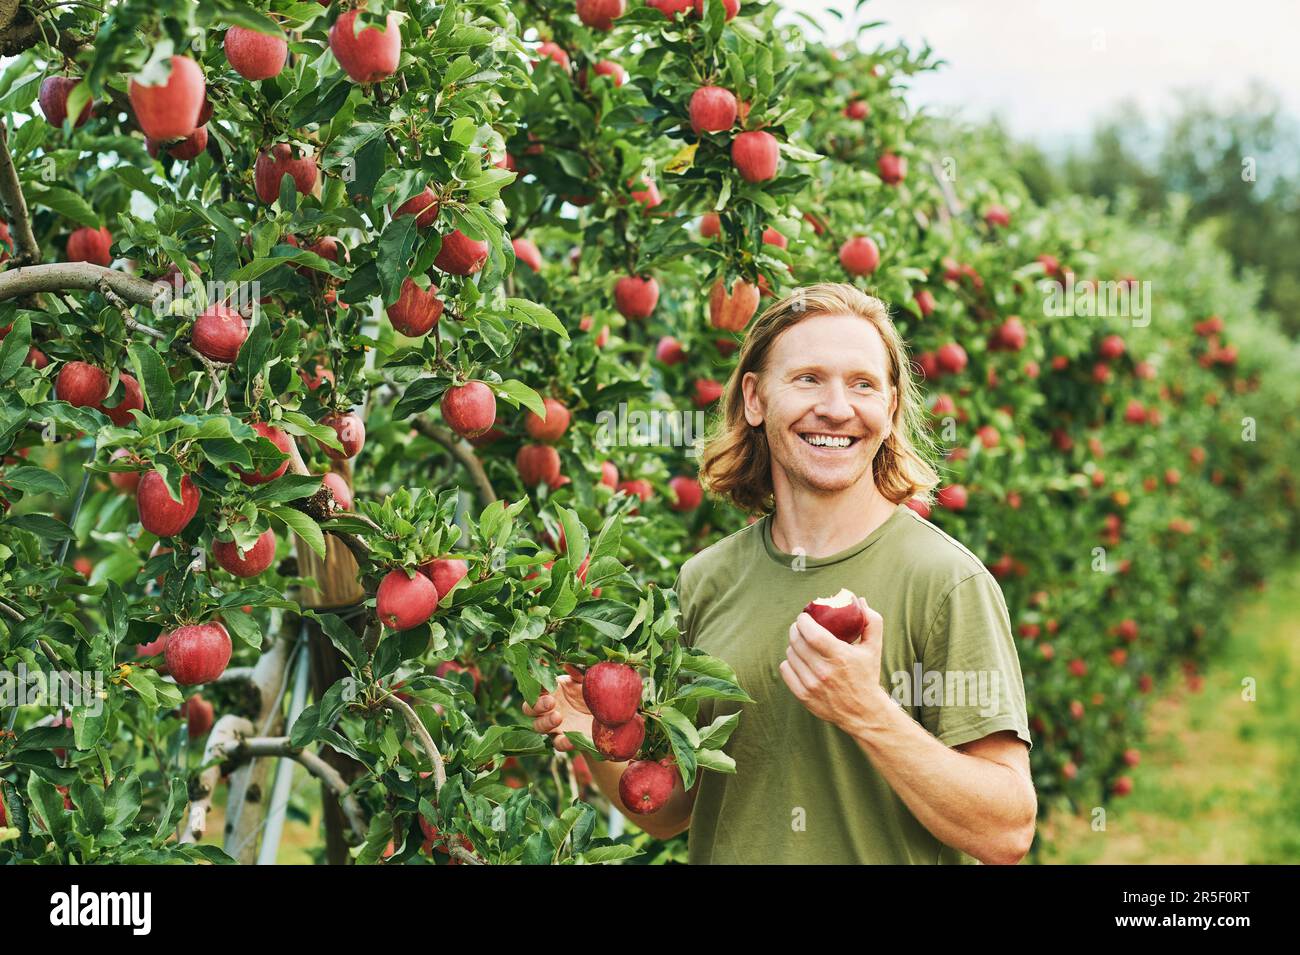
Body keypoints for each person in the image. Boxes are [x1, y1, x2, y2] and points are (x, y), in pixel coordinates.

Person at [525, 283, 1035, 864]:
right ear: (754, 399)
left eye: (863, 384)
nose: (837, 408)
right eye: (809, 378)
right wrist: (600, 730)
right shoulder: (708, 579)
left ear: (890, 410)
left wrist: (867, 713)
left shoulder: (945, 583)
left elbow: (1006, 831)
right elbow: (672, 809)